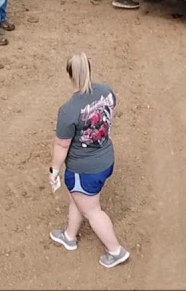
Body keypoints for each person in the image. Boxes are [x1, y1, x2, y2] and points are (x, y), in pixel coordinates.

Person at [48, 53, 130, 269]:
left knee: (92, 210)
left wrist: (54, 170)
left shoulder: (68, 111)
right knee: (81, 199)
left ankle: (116, 251)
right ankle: (70, 236)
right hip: (105, 160)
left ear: (70, 75)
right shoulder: (106, 91)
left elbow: (61, 146)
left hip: (83, 171)